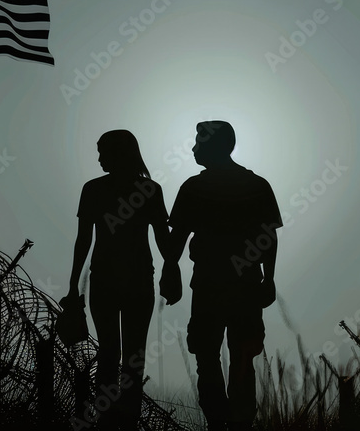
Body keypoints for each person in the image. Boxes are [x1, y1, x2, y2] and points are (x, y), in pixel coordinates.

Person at [160, 121, 282, 431]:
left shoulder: (195, 187)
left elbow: (178, 238)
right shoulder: (256, 185)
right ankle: (237, 421)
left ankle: (218, 421)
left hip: (211, 284)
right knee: (238, 356)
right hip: (243, 285)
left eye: (198, 142)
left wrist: (170, 268)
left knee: (208, 356)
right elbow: (268, 237)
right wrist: (268, 279)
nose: (193, 148)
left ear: (213, 147)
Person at [65, 129, 170, 430]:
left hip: (109, 280)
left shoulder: (95, 189)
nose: (99, 158)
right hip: (133, 280)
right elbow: (163, 240)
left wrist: (74, 284)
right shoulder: (149, 189)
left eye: (103, 151)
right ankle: (124, 419)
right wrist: (171, 268)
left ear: (119, 153)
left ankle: (110, 418)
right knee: (129, 355)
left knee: (111, 352)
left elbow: (84, 239)